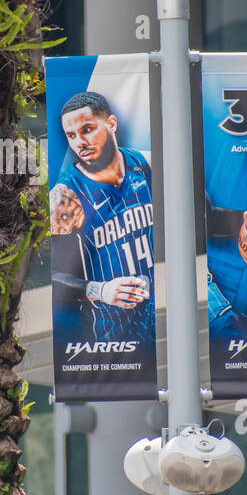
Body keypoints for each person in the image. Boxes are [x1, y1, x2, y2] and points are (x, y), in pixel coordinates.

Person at [49, 91, 158, 343]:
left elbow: (199, 213)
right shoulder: (65, 196)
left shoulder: (146, 164)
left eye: (87, 129)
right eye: (71, 135)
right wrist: (100, 290)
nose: (79, 142)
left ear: (111, 124)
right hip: (111, 332)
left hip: (157, 309)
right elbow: (55, 275)